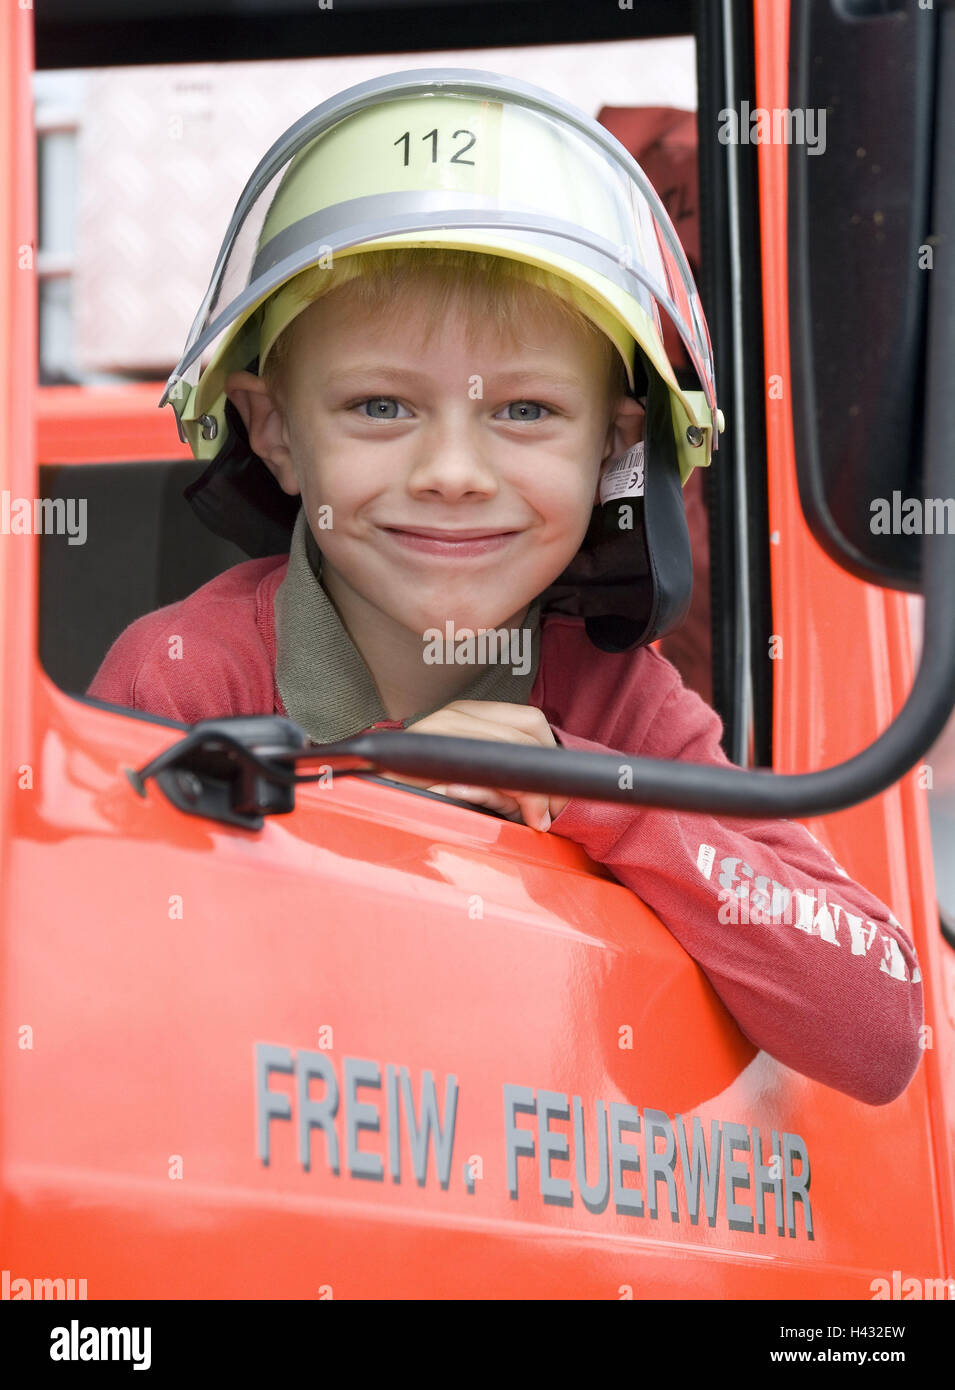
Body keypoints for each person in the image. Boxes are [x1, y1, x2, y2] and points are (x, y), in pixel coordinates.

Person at [88, 69, 922, 1106]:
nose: (453, 471)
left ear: (615, 451)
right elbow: (109, 1029)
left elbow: (879, 1024)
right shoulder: (187, 676)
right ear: (272, 431)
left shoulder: (619, 706)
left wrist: (596, 798)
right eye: (382, 405)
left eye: (525, 413)